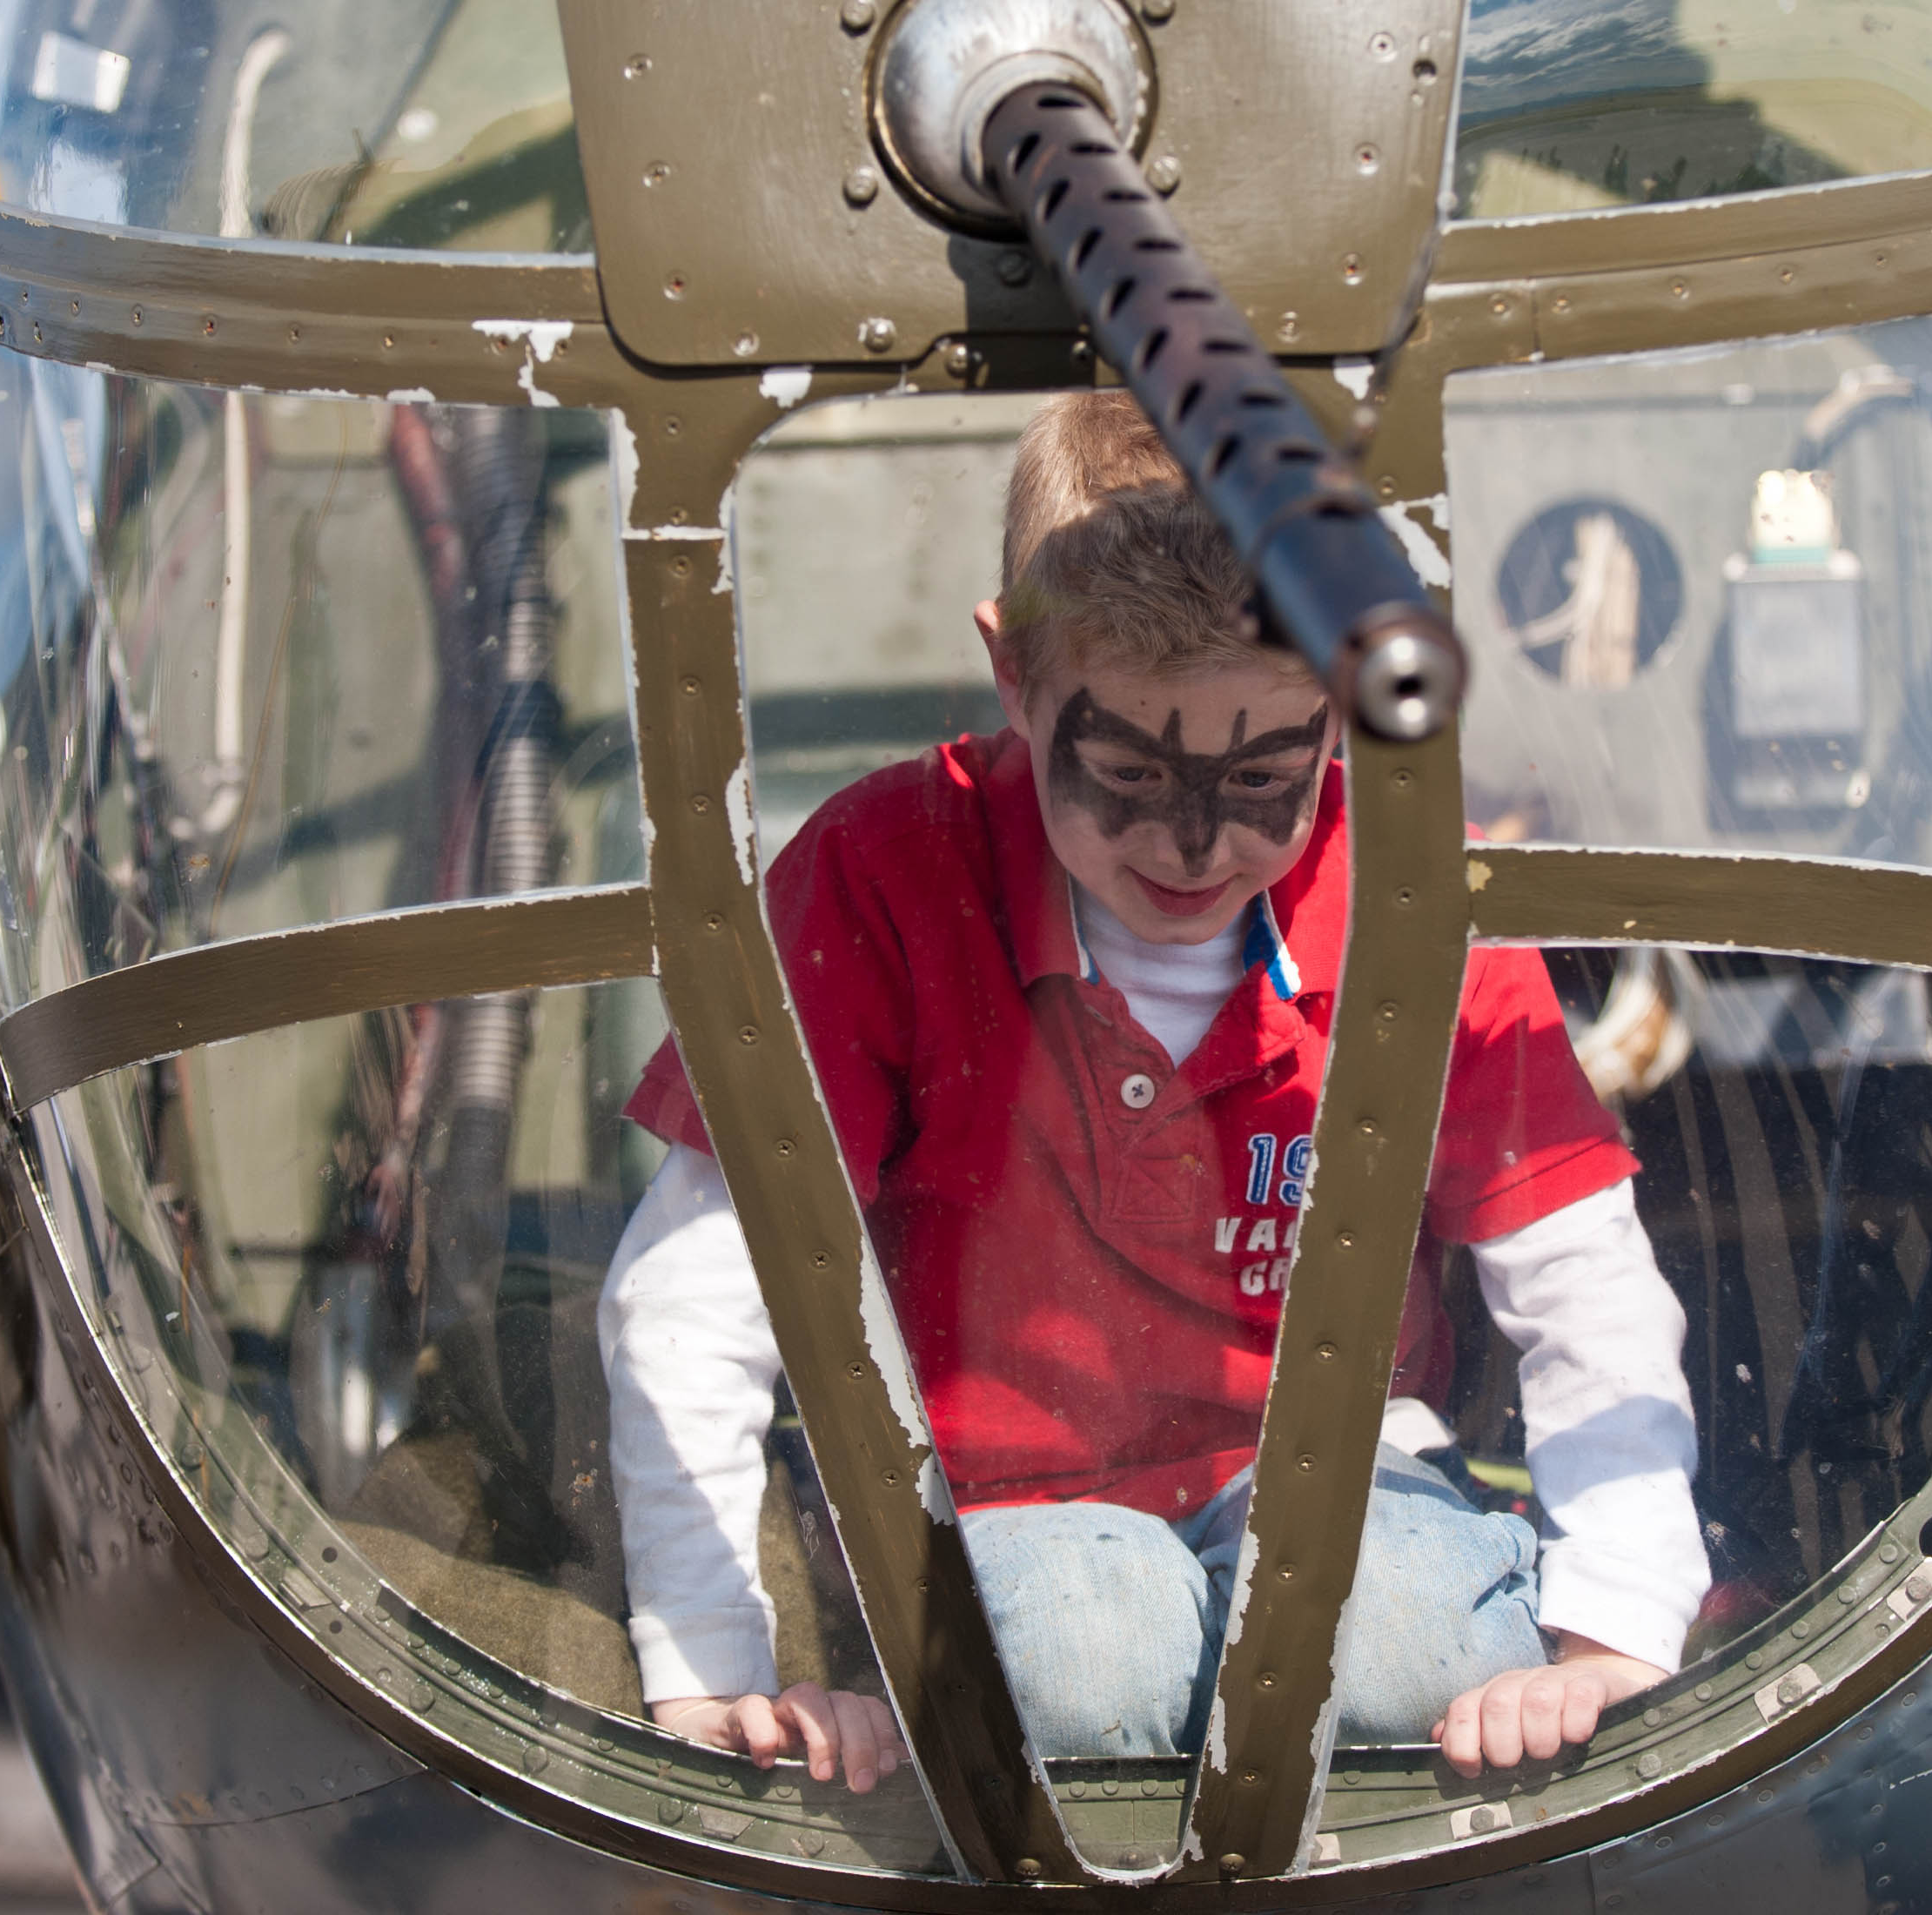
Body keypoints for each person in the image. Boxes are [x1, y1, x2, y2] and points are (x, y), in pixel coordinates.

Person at [596, 393, 1704, 1793]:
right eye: (1124, 770)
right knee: (1077, 1649)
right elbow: (694, 1293)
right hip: (1003, 1503)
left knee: (1408, 1636)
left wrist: (1615, 1626)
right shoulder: (879, 876)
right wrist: (716, 1675)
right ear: (1013, 672)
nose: (1193, 844)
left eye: (1262, 776)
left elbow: (1580, 1274)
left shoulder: (1417, 884)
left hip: (1345, 1475)